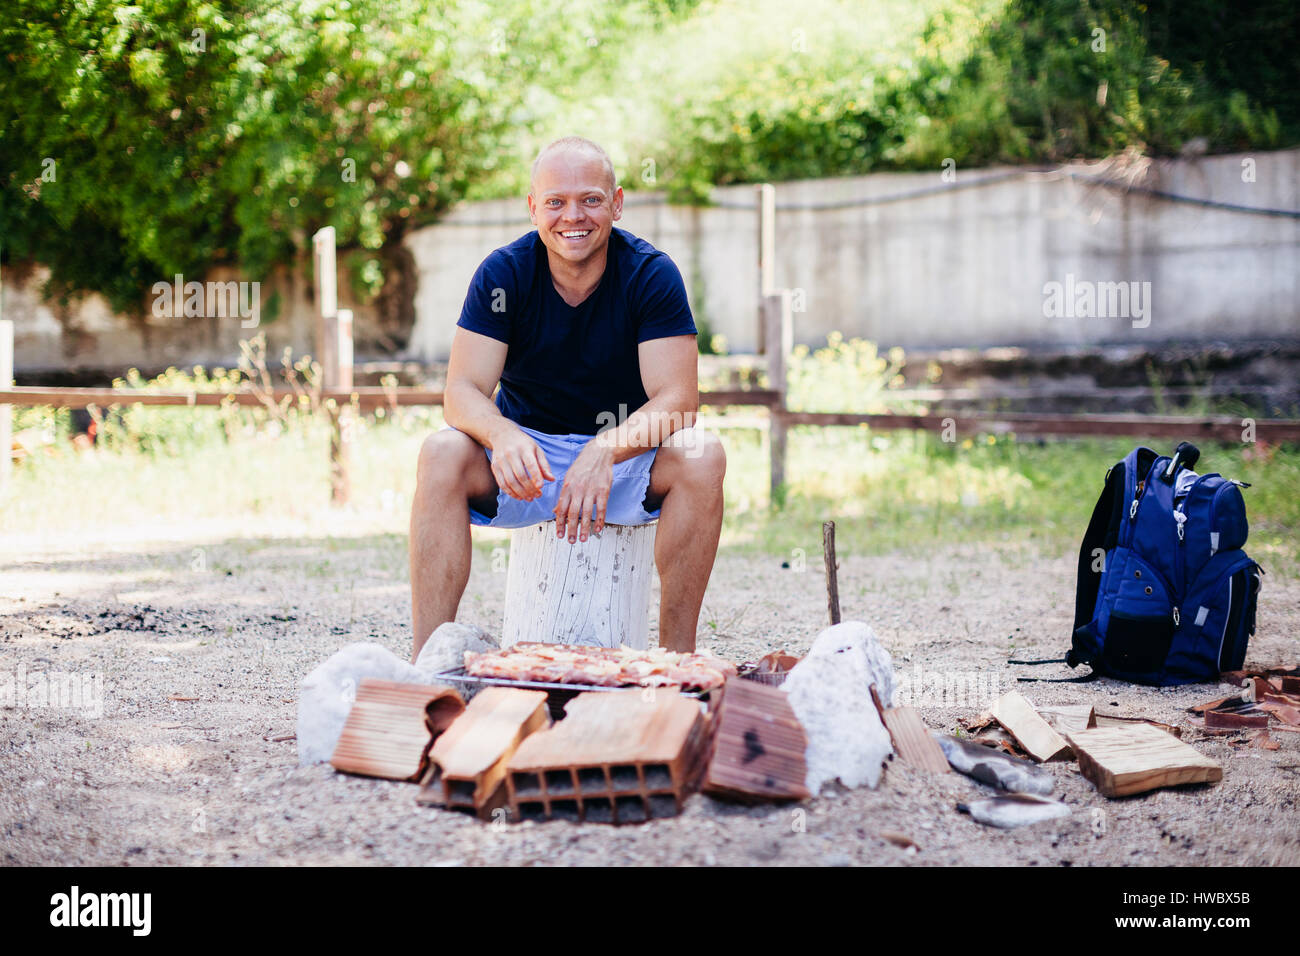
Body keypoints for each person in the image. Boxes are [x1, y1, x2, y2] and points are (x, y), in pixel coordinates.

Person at [408, 136, 726, 662]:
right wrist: (503, 435)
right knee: (440, 452)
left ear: (617, 203)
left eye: (590, 200)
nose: (572, 216)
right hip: (526, 466)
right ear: (533, 207)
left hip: (624, 462)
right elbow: (461, 393)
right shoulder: (503, 273)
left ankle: (677, 665)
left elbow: (678, 400)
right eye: (555, 202)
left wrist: (604, 451)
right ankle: (429, 668)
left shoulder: (651, 274)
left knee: (703, 453)